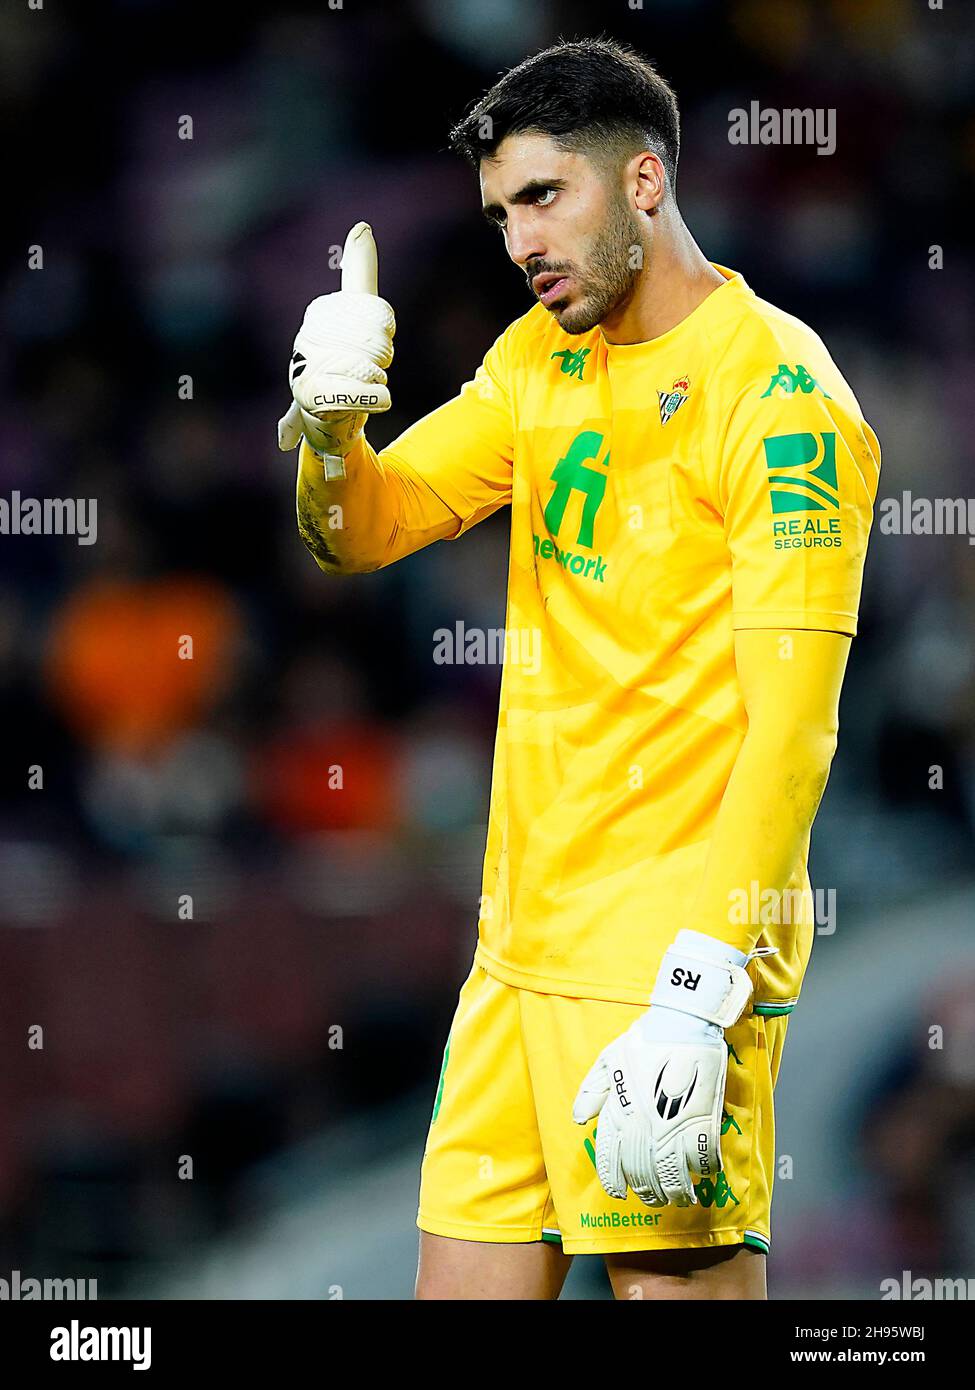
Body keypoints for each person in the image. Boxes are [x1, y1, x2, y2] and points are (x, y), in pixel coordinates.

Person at [279, 37, 881, 1300]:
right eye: (502, 214)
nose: (520, 242)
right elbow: (361, 531)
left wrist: (699, 992)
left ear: (645, 180)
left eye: (545, 197)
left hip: (665, 962)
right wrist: (331, 430)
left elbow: (794, 731)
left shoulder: (781, 400)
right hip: (516, 955)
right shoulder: (535, 360)